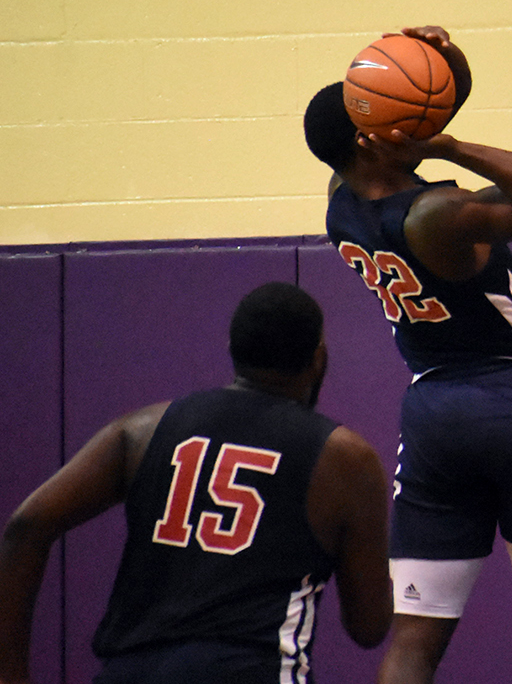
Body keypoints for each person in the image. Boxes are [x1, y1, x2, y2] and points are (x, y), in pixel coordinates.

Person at [302, 27, 512, 684]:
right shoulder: (439, 213)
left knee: (415, 636)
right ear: (374, 139)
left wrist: (447, 66)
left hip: (434, 412)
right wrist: (453, 146)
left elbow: (410, 122)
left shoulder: (340, 204)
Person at [0, 281, 392, 684]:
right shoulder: (345, 459)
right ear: (318, 357)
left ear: (231, 348)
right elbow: (369, 628)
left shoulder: (144, 428)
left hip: (130, 671)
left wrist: (9, 673)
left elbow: (26, 525)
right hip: (249, 670)